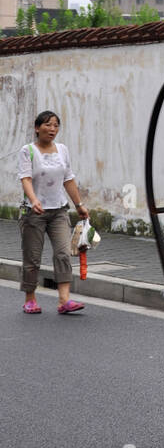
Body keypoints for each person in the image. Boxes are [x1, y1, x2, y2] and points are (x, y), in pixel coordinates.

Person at [17, 110, 89, 314]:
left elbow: (68, 178)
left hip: (59, 210)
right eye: (48, 125)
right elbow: (25, 178)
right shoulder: (28, 150)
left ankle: (64, 300)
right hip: (34, 213)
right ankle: (30, 298)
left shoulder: (62, 150)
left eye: (56, 125)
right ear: (37, 128)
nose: (52, 129)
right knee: (32, 258)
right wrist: (33, 200)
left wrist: (79, 204)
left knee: (63, 254)